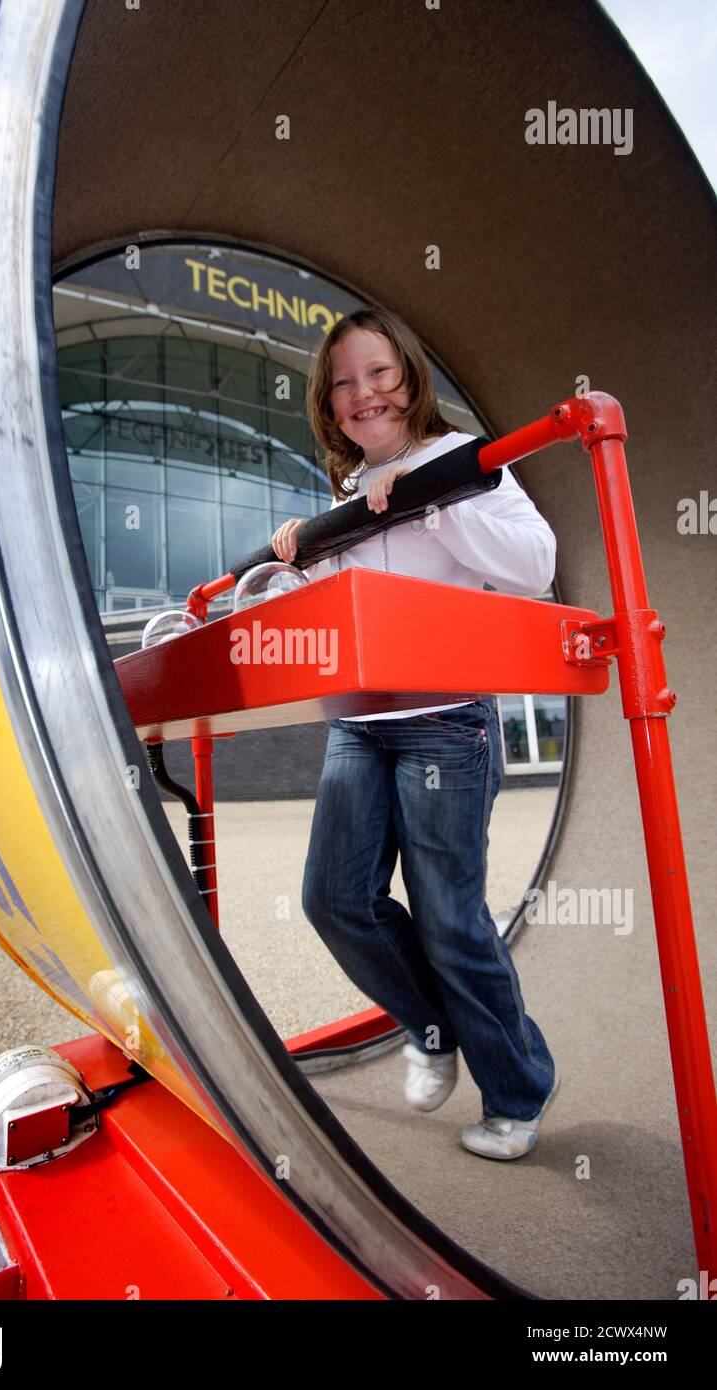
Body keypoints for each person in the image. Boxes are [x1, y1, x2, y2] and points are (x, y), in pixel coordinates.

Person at [271, 306, 559, 1160]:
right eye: (344, 383)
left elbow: (535, 567)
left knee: (448, 918)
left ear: (410, 377)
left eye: (380, 373)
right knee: (335, 898)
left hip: (443, 724)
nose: (364, 394)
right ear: (329, 404)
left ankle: (517, 1090)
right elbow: (339, 608)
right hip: (359, 726)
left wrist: (434, 507)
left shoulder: (463, 460)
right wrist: (306, 550)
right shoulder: (342, 493)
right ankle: (432, 1026)